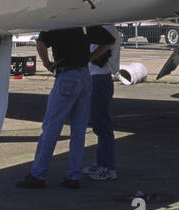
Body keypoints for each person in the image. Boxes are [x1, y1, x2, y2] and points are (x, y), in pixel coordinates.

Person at [17, 24, 114, 189]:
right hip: (84, 75)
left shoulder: (58, 21)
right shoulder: (84, 23)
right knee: (79, 130)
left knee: (51, 126)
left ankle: (38, 174)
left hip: (66, 74)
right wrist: (89, 58)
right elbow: (109, 42)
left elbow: (40, 43)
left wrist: (47, 63)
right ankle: (73, 175)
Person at [85, 25, 119, 181]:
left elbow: (102, 55)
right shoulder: (101, 29)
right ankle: (101, 162)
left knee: (103, 124)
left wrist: (87, 57)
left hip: (100, 77)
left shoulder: (108, 30)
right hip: (95, 77)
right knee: (99, 124)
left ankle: (108, 166)